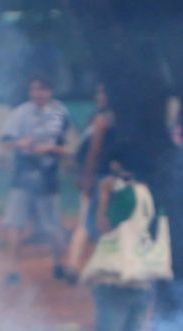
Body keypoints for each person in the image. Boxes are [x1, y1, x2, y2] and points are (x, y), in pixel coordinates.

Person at [82, 153, 165, 331]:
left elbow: (103, 226)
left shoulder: (127, 195)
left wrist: (104, 194)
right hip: (143, 276)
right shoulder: (151, 194)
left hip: (116, 279)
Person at [0, 75, 72, 284]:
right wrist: (22, 143)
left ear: (50, 91)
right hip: (23, 175)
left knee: (53, 225)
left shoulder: (60, 113)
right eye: (34, 90)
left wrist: (51, 149)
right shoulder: (20, 113)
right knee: (15, 222)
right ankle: (12, 269)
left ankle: (59, 264)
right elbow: (6, 141)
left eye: (43, 89)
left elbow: (68, 148)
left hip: (48, 176)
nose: (38, 94)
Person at [66, 83, 115, 277]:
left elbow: (93, 150)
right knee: (90, 222)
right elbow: (89, 150)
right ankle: (74, 265)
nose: (99, 96)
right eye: (98, 92)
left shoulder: (105, 118)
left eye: (104, 93)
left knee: (96, 223)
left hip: (101, 175)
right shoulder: (98, 118)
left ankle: (84, 265)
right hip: (97, 176)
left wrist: (87, 174)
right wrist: (85, 175)